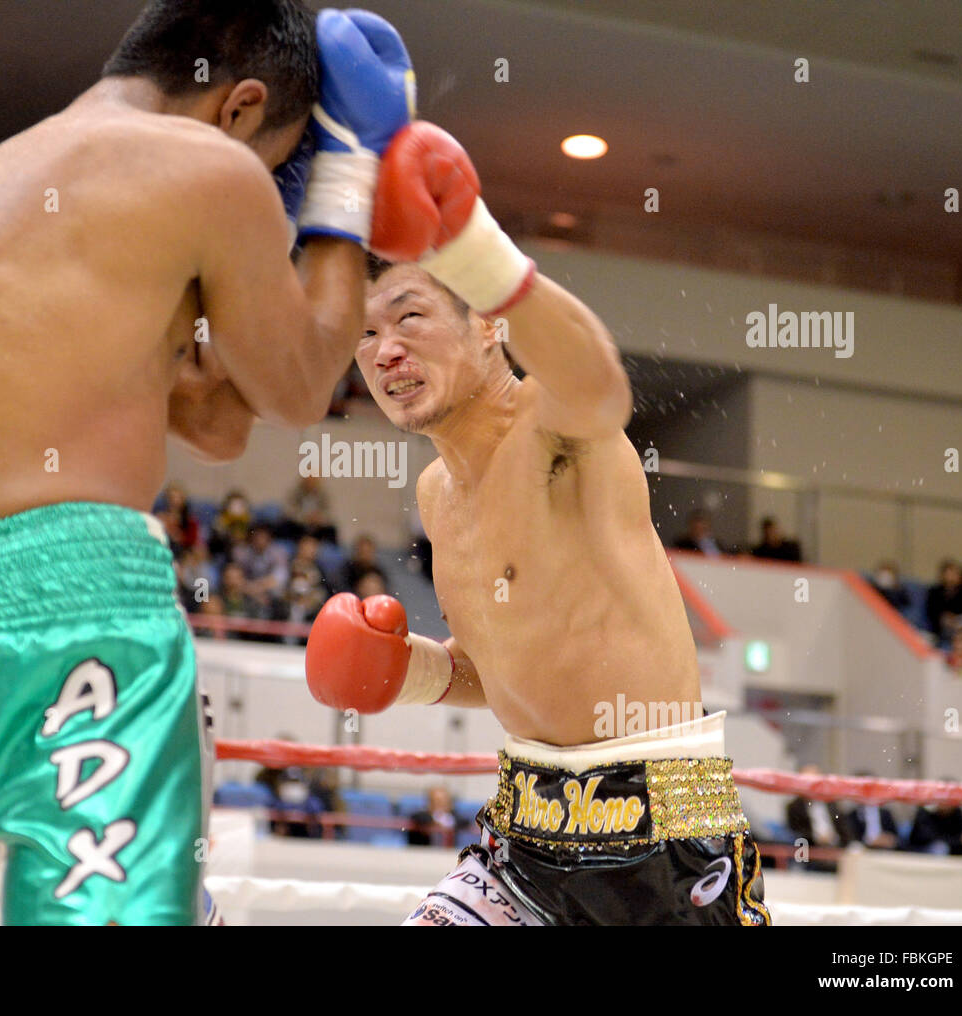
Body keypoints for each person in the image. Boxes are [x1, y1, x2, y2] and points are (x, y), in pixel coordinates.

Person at [0, 2, 414, 925]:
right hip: (78, 631)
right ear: (239, 106)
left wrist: (255, 269)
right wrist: (346, 168)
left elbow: (215, 421)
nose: (262, 184)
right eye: (272, 159)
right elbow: (300, 387)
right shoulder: (207, 167)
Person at [305, 122, 768, 926]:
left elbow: (598, 383)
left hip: (663, 828)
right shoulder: (435, 493)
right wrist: (406, 673)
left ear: (489, 324)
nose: (383, 353)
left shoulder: (558, 437)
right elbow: (509, 667)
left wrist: (477, 249)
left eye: (409, 318)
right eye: (367, 335)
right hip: (524, 834)